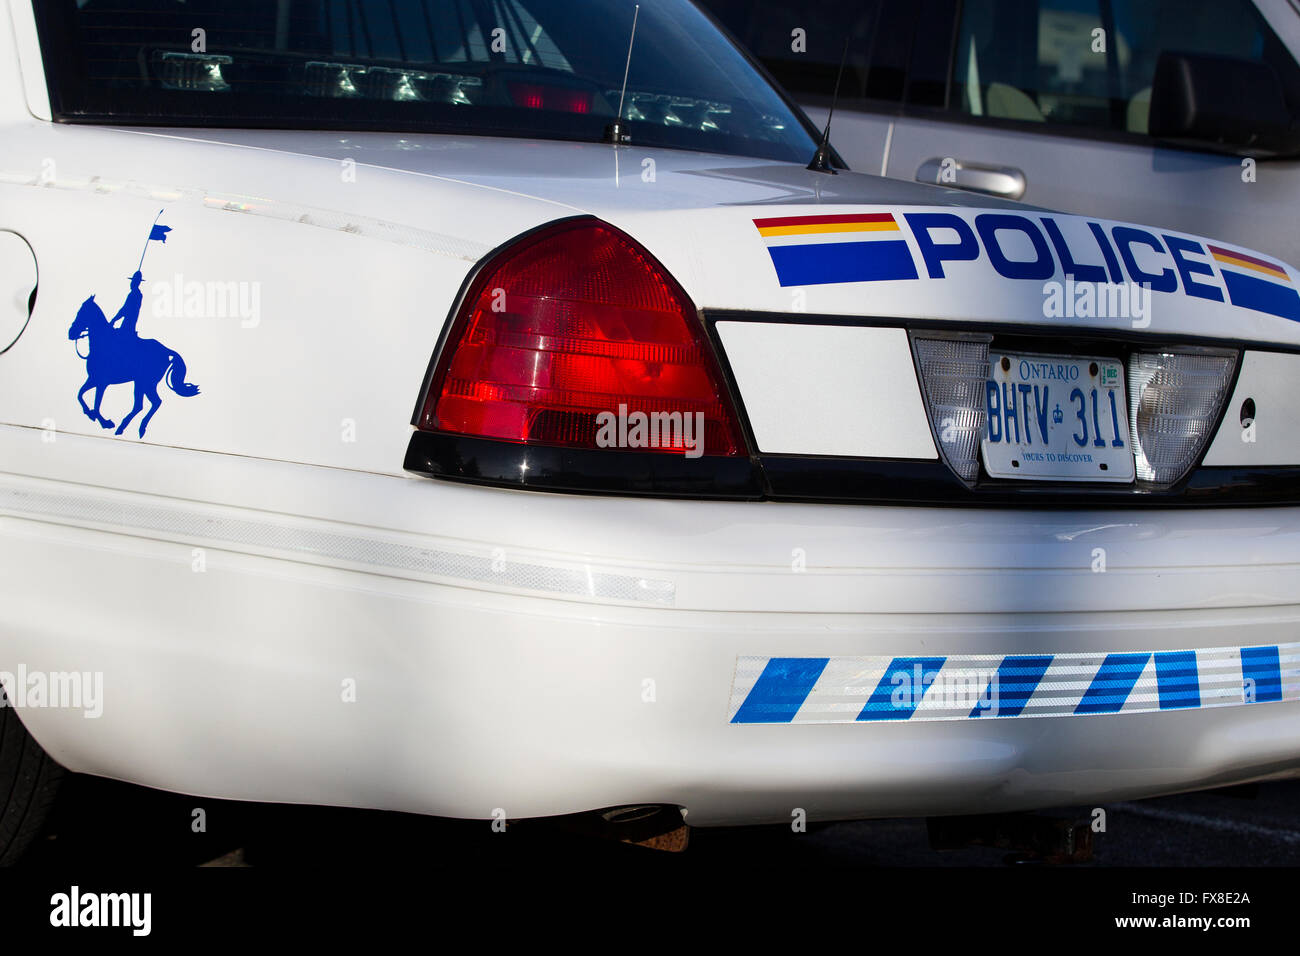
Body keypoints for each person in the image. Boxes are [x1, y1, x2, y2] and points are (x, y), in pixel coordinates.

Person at [110, 270, 145, 337]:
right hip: (129, 323)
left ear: (136, 283)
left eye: (133, 281)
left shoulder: (134, 294)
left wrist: (113, 320)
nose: (131, 283)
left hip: (128, 324)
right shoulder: (136, 294)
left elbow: (125, 309)